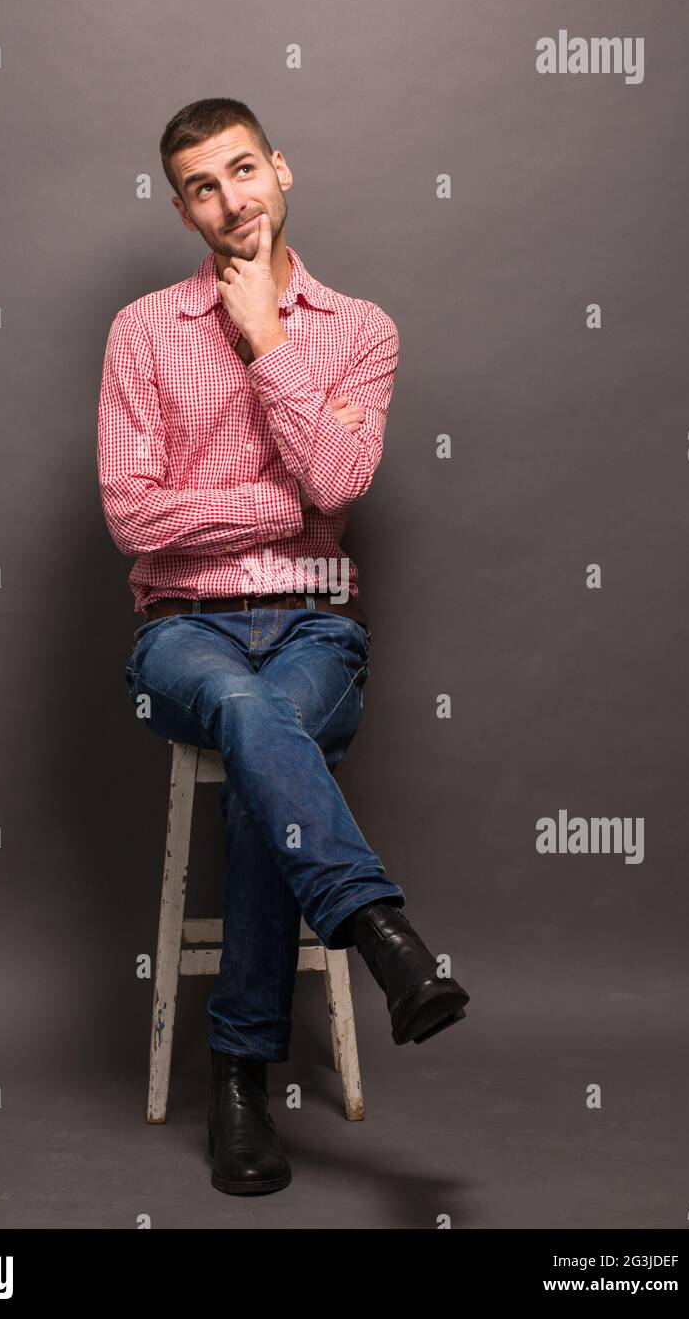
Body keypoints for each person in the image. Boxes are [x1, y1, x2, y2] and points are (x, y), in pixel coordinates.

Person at [96, 97, 470, 1195]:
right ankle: (380, 934)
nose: (230, 200)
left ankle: (240, 1086)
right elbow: (132, 517)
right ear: (180, 209)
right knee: (261, 717)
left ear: (280, 169)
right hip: (182, 632)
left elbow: (342, 485)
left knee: (270, 736)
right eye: (203, 186)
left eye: (243, 171)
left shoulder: (358, 330)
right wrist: (279, 499)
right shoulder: (142, 331)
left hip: (314, 626)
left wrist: (265, 336)